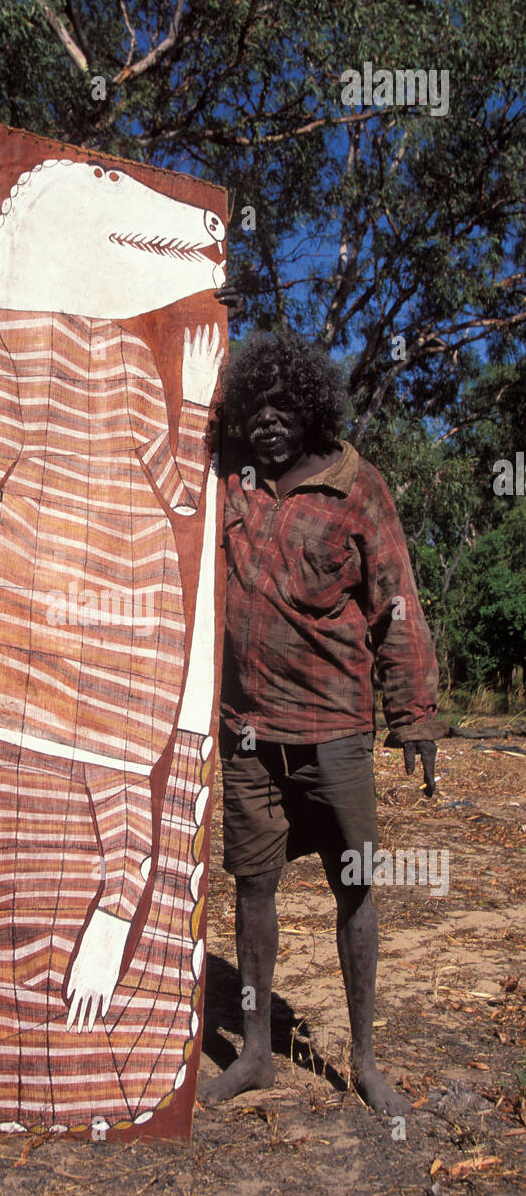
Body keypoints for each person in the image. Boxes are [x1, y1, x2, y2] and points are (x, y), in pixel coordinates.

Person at [199, 328, 446, 1114]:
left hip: (334, 729)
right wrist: (209, 313)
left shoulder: (355, 487)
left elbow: (395, 602)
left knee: (354, 889)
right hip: (246, 733)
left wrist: (413, 719)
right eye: (253, 408)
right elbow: (179, 405)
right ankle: (257, 1052)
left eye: (281, 407)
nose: (266, 422)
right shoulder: (231, 479)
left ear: (309, 407)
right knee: (253, 887)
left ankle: (366, 1060)